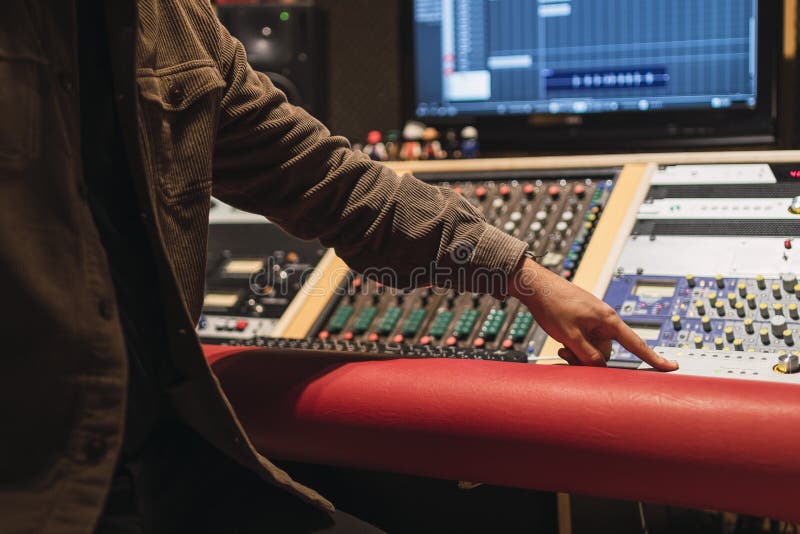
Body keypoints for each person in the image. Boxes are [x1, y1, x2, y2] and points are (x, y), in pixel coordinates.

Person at [0, 1, 677, 532]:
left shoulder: (172, 19)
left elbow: (326, 179)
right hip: (36, 489)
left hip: (169, 458)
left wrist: (522, 275)